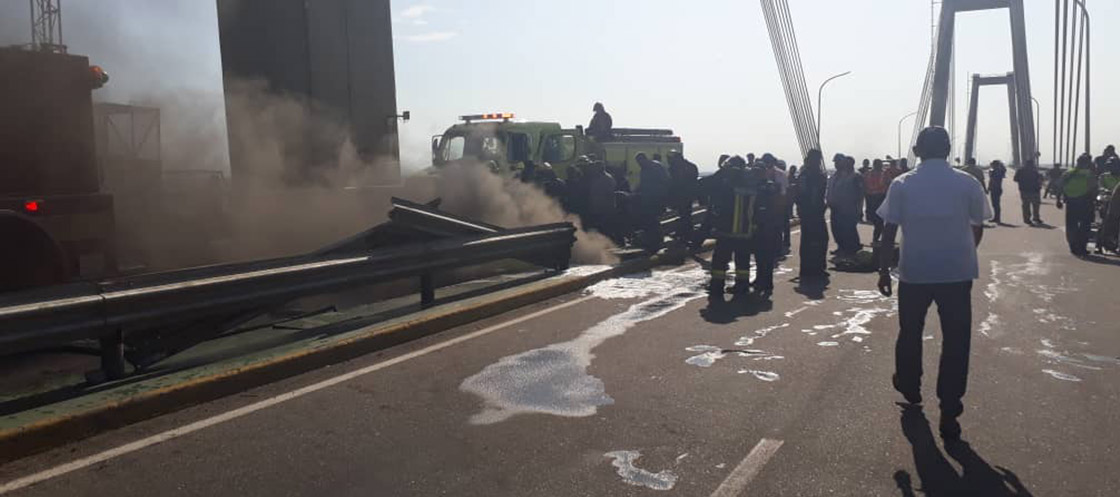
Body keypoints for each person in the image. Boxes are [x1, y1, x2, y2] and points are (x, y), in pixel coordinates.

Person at [877, 126, 992, 443]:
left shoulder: (903, 184)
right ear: (948, 149)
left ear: (917, 149)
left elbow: (889, 231)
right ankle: (950, 409)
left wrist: (884, 270)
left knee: (910, 330)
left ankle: (910, 385)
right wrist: (964, 253)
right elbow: (978, 226)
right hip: (957, 274)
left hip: (915, 272)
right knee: (957, 340)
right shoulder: (967, 183)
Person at [705, 156, 775, 297]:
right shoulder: (751, 183)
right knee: (742, 261)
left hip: (726, 230)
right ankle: (742, 286)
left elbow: (709, 192)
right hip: (744, 230)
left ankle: (717, 287)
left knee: (720, 261)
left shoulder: (724, 183)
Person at [796, 150, 830, 281]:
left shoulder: (817, 174)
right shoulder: (807, 175)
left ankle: (817, 268)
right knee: (810, 241)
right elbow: (803, 195)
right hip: (810, 212)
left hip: (815, 212)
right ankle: (808, 269)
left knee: (818, 240)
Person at [1056, 153, 1099, 256]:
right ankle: (1082, 247)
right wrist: (1095, 200)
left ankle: (1073, 246)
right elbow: (1094, 189)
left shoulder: (1068, 173)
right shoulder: (1089, 174)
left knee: (1071, 225)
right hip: (1086, 202)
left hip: (1071, 202)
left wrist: (1058, 200)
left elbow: (1059, 186)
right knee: (1085, 225)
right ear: (1087, 163)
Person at [827, 155, 864, 255]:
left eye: (838, 162)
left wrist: (859, 209)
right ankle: (841, 247)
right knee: (836, 229)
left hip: (849, 208)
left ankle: (852, 249)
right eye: (835, 162)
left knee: (849, 229)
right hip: (835, 207)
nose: (836, 164)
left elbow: (860, 194)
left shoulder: (855, 176)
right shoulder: (835, 175)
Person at [634, 152, 670, 252]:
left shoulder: (656, 167)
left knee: (652, 218)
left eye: (640, 162)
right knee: (648, 218)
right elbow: (642, 184)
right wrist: (634, 192)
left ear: (644, 159)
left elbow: (665, 181)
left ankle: (657, 239)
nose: (639, 164)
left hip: (657, 197)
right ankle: (652, 238)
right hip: (648, 198)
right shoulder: (643, 170)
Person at [667, 151, 700, 241]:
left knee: (684, 214)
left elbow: (674, 182)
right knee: (686, 213)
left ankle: (685, 233)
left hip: (682, 194)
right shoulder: (691, 166)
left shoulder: (677, 167)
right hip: (688, 194)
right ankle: (686, 232)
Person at [583, 160, 618, 239]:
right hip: (596, 208)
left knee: (606, 228)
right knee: (598, 228)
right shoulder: (594, 178)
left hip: (605, 209)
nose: (594, 169)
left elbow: (610, 194)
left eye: (596, 168)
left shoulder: (608, 179)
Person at [863, 159, 891, 244]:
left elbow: (889, 184)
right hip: (873, 199)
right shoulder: (868, 174)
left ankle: (879, 238)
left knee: (879, 220)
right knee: (878, 221)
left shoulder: (884, 174)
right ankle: (881, 238)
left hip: (879, 198)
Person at [1014, 160, 1043, 225]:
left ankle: (1027, 219)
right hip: (1035, 190)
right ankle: (1036, 218)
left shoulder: (1020, 171)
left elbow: (1015, 179)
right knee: (1036, 205)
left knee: (1026, 205)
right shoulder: (1035, 170)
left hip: (1025, 190)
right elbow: (1040, 179)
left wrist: (1022, 181)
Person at [987, 160, 1007, 224]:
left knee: (995, 204)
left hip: (995, 189)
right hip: (997, 189)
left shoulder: (996, 171)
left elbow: (992, 181)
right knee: (996, 204)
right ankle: (996, 217)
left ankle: (997, 218)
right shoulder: (999, 171)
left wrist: (989, 188)